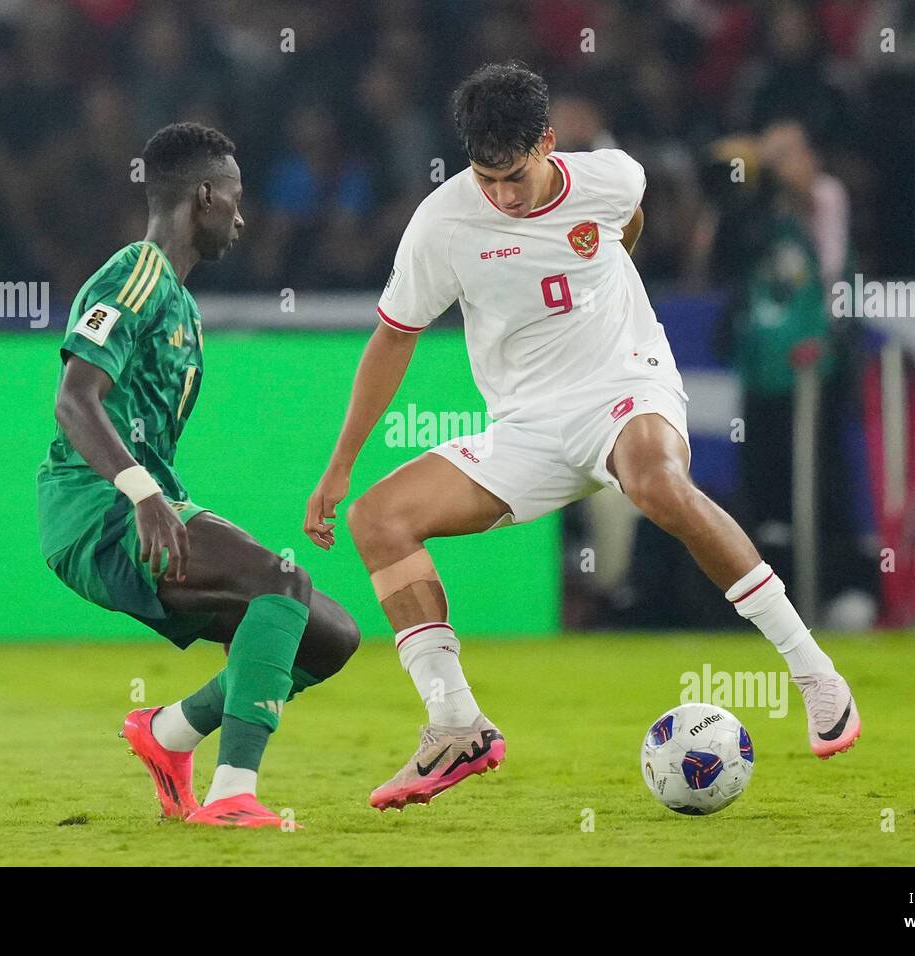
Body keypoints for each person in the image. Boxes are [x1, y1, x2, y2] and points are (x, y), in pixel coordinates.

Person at [304, 63, 860, 812]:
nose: (501, 195)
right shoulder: (442, 223)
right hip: (526, 426)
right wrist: (339, 469)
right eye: (486, 177)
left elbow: (624, 223)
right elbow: (393, 339)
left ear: (549, 144)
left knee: (658, 484)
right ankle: (455, 724)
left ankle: (813, 671)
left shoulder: (611, 176)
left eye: (515, 177)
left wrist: (609, 280)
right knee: (379, 520)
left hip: (623, 386)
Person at [38, 123, 359, 828]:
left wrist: (158, 495)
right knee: (281, 582)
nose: (243, 218)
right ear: (206, 196)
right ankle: (231, 796)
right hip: (96, 508)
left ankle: (169, 733)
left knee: (329, 634)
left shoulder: (182, 307)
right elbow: (74, 400)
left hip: (149, 502)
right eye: (237, 200)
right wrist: (143, 493)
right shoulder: (136, 272)